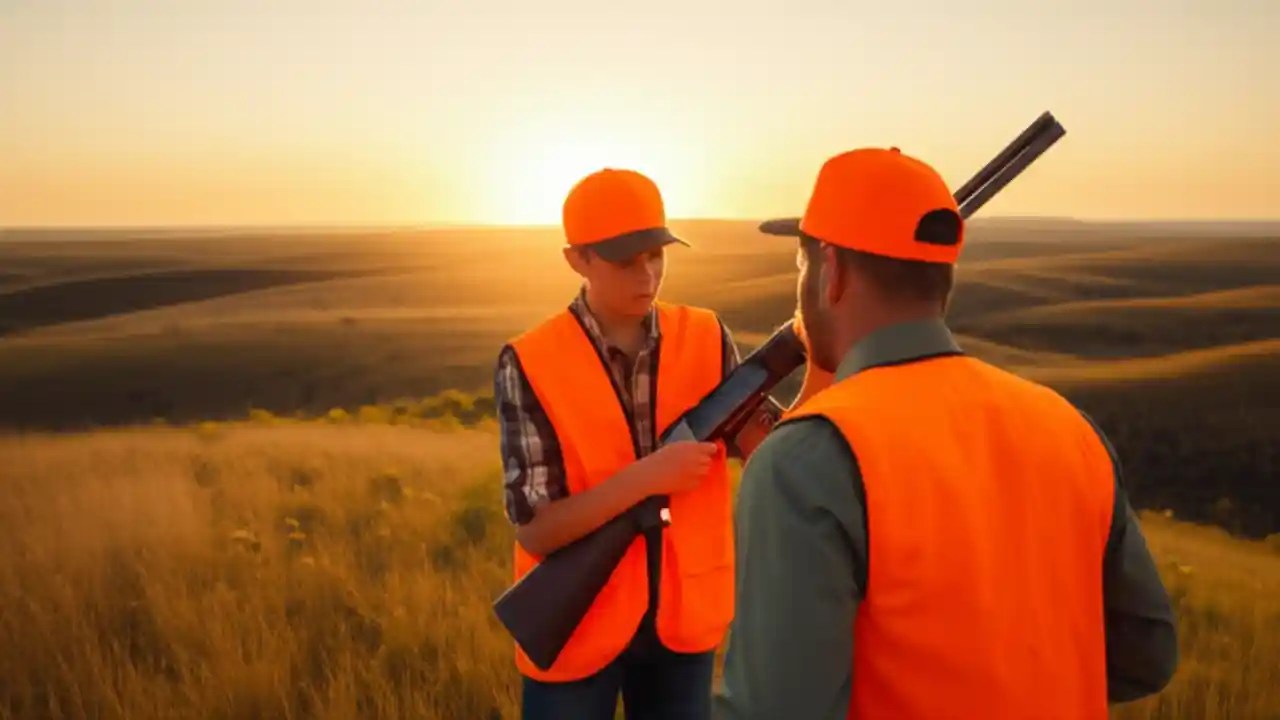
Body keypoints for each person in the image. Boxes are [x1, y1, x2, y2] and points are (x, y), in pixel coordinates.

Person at [713, 146, 1179, 719]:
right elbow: (1148, 655)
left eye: (802, 266)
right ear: (941, 282)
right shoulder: (1066, 425)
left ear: (830, 272)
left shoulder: (810, 458)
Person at [495, 167, 780, 720]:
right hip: (578, 631)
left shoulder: (705, 334)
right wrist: (647, 480)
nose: (647, 274)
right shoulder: (530, 359)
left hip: (683, 623)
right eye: (626, 260)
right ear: (576, 259)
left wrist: (816, 348)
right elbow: (536, 527)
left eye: (657, 255)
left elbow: (769, 444)